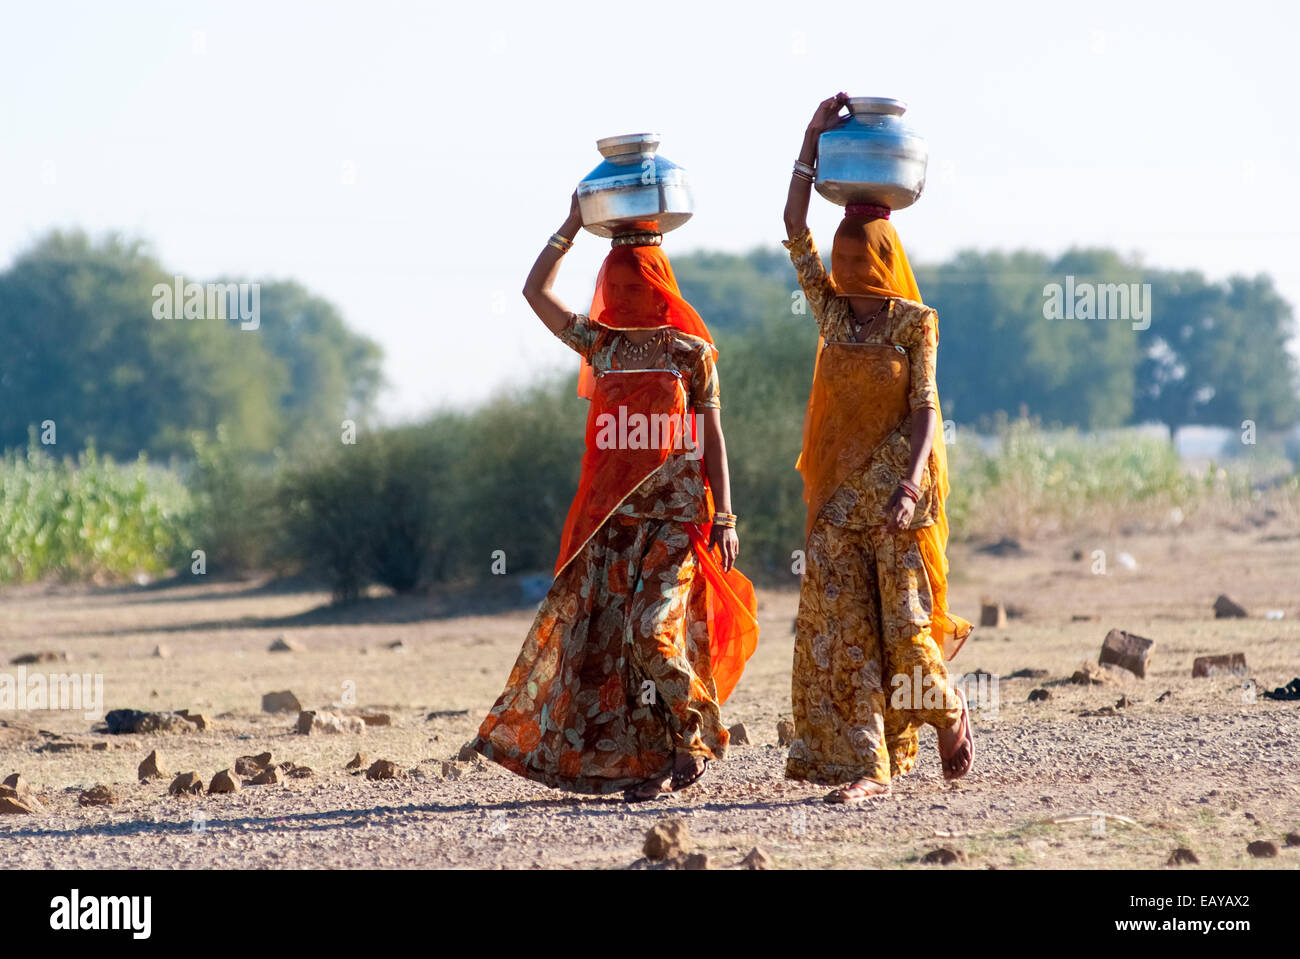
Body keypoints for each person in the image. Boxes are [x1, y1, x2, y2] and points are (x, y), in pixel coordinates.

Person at [469, 193, 759, 802]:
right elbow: (535, 294)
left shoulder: (691, 354)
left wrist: (725, 516)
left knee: (652, 633)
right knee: (610, 650)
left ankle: (696, 732)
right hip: (613, 523)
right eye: (614, 284)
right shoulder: (602, 346)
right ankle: (645, 763)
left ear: (658, 287)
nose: (621, 295)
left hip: (678, 522)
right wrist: (572, 224)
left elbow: (713, 438)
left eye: (633, 284)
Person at [782, 93, 974, 803]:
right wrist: (809, 142)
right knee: (843, 637)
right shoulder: (832, 316)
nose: (854, 285)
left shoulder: (914, 323)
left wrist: (905, 484)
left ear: (886, 265)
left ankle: (950, 715)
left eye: (865, 271)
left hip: (898, 499)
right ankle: (869, 764)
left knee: (905, 633)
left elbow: (925, 410)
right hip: (837, 505)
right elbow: (793, 226)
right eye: (845, 268)